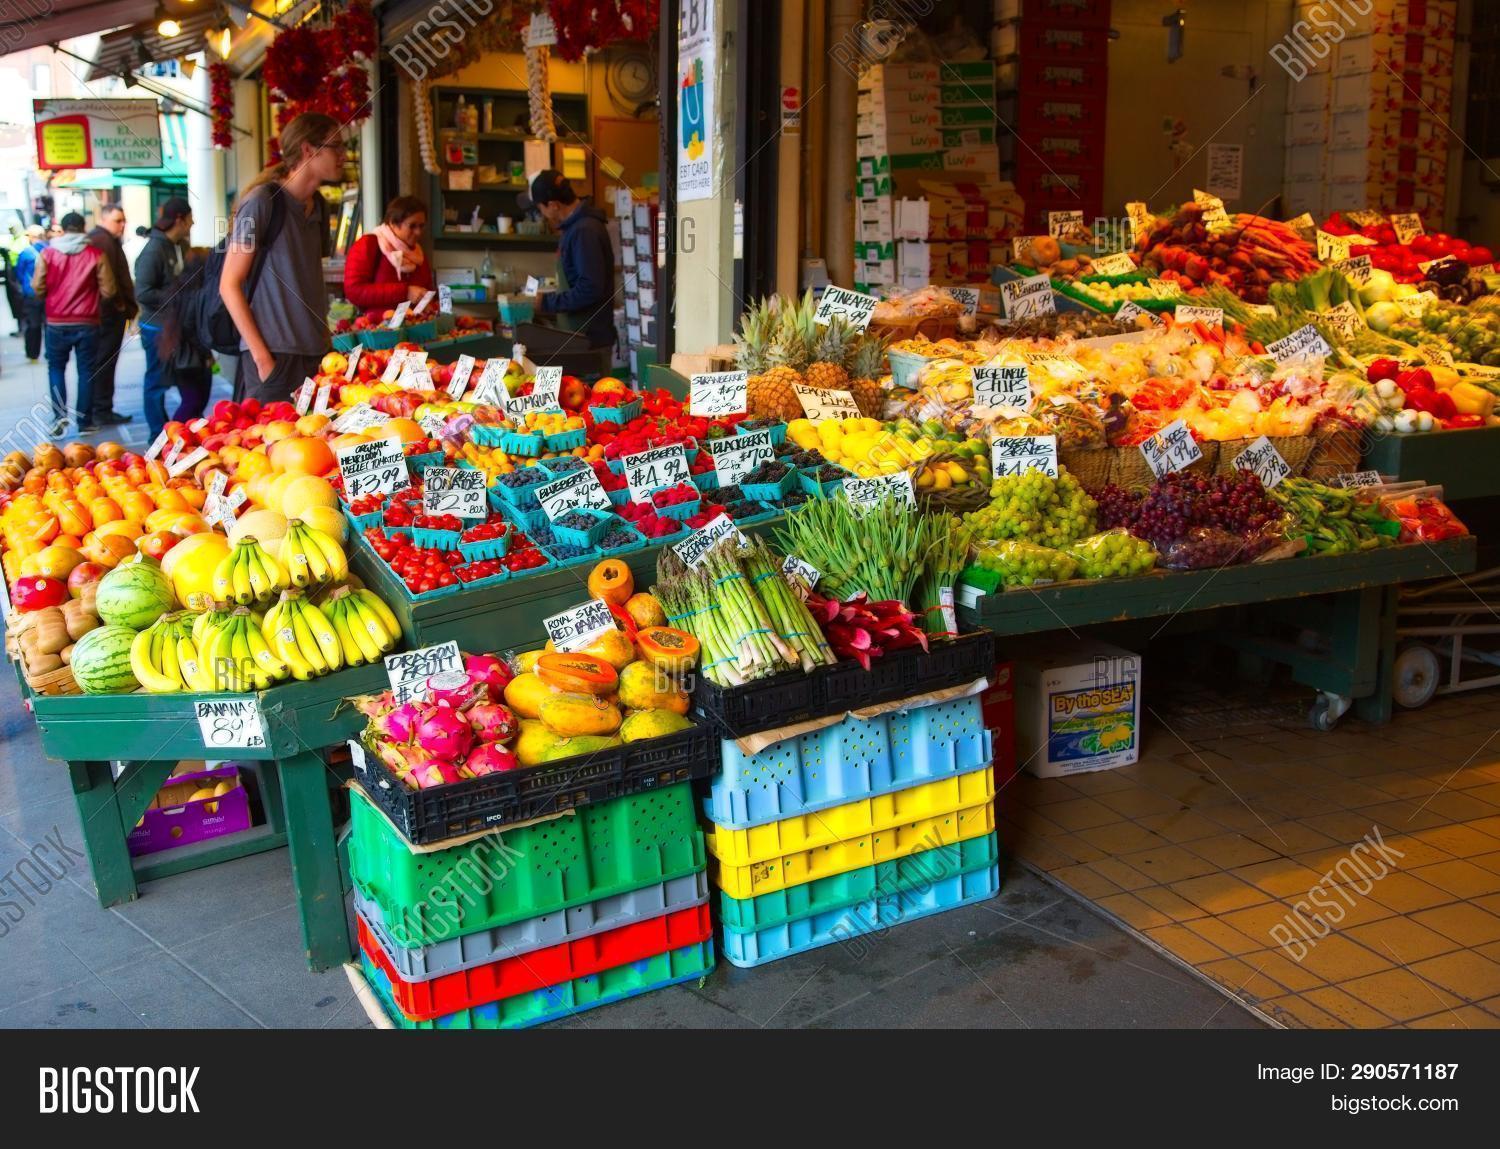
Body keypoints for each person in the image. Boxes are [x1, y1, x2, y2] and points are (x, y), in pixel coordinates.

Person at [221, 111, 339, 404]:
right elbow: (229, 284)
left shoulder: (320, 206)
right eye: (336, 146)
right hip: (274, 357)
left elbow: (308, 277)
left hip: (317, 355)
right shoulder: (261, 202)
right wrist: (263, 359)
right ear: (308, 150)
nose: (344, 155)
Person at [32, 212, 117, 435]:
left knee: (56, 368)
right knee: (86, 371)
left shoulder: (48, 254)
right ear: (83, 228)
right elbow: (109, 290)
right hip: (87, 321)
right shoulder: (96, 255)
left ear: (63, 229)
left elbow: (37, 287)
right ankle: (85, 422)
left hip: (56, 322)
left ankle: (59, 417)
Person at [514, 169, 616, 354]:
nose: (541, 213)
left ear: (553, 205)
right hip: (579, 336)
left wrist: (546, 302)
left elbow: (589, 289)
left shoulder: (584, 231)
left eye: (540, 208)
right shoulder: (576, 228)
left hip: (589, 341)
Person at [135, 198, 194, 441]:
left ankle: (176, 431)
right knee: (156, 382)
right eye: (190, 218)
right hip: (156, 327)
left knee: (181, 380)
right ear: (180, 219)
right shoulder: (153, 251)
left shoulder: (178, 245)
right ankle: (156, 436)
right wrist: (176, 296)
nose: (193, 223)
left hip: (174, 325)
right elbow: (143, 293)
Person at [343, 195, 434, 320]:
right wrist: (405, 292)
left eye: (421, 226)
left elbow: (427, 289)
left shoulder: (418, 253)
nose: (418, 232)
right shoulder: (369, 244)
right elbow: (354, 291)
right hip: (377, 327)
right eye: (412, 226)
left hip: (415, 326)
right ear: (393, 223)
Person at [88, 204, 138, 425]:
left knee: (105, 362)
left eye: (124, 220)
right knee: (104, 363)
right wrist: (118, 306)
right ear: (104, 219)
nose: (122, 225)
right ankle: (101, 409)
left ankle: (102, 408)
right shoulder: (102, 240)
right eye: (118, 220)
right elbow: (107, 283)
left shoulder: (107, 239)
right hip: (107, 315)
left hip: (110, 313)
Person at [156, 249, 213, 426]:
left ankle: (187, 435)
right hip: (190, 358)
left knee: (193, 403)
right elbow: (191, 328)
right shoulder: (197, 294)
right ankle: (171, 434)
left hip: (179, 355)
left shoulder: (179, 289)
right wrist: (206, 353)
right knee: (193, 402)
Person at [14, 226, 45, 361]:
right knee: (49, 324)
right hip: (48, 293)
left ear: (31, 237)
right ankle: (50, 352)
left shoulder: (25, 253)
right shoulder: (51, 251)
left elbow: (19, 274)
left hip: (31, 293)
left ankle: (32, 353)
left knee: (33, 324)